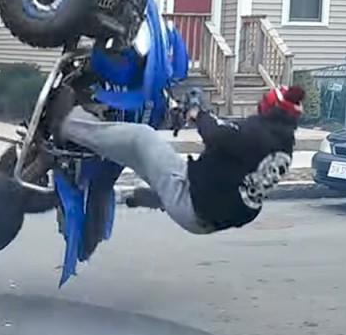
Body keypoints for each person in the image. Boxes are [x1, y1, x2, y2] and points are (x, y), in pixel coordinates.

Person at [48, 83, 306, 234]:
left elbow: (216, 134)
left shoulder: (257, 135)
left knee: (142, 138)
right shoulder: (280, 146)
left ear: (270, 108)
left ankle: (67, 124)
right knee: (141, 155)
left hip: (191, 202)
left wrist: (197, 113)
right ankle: (156, 195)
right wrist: (201, 114)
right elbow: (231, 135)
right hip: (210, 214)